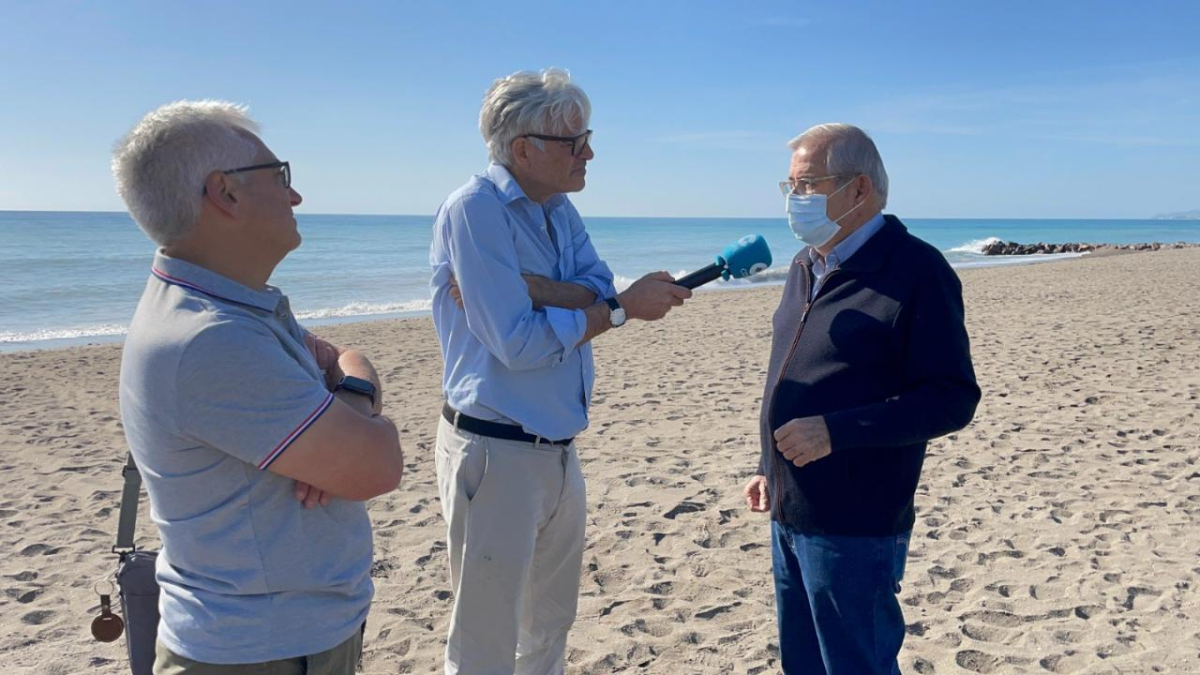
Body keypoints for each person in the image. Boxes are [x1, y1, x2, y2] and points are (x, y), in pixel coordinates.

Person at [114, 100, 404, 674]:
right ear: (225, 193)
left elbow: (346, 361)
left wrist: (343, 400)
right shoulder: (209, 338)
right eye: (280, 177)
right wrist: (353, 405)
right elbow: (378, 465)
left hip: (287, 636)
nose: (295, 196)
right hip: (258, 651)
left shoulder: (233, 305)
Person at [429, 69, 691, 674]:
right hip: (494, 451)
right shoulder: (475, 210)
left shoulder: (557, 207)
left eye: (587, 137)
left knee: (548, 627)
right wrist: (618, 308)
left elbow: (596, 283)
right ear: (523, 148)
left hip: (558, 450)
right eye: (575, 142)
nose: (589, 153)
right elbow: (519, 344)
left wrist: (537, 289)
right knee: (484, 642)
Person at [742, 123, 981, 674]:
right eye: (790, 187)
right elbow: (790, 373)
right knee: (802, 664)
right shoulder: (805, 266)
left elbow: (952, 397)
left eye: (807, 186)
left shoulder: (918, 271)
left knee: (856, 664)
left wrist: (836, 431)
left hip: (856, 522)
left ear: (858, 190)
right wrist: (766, 466)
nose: (794, 201)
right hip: (789, 508)